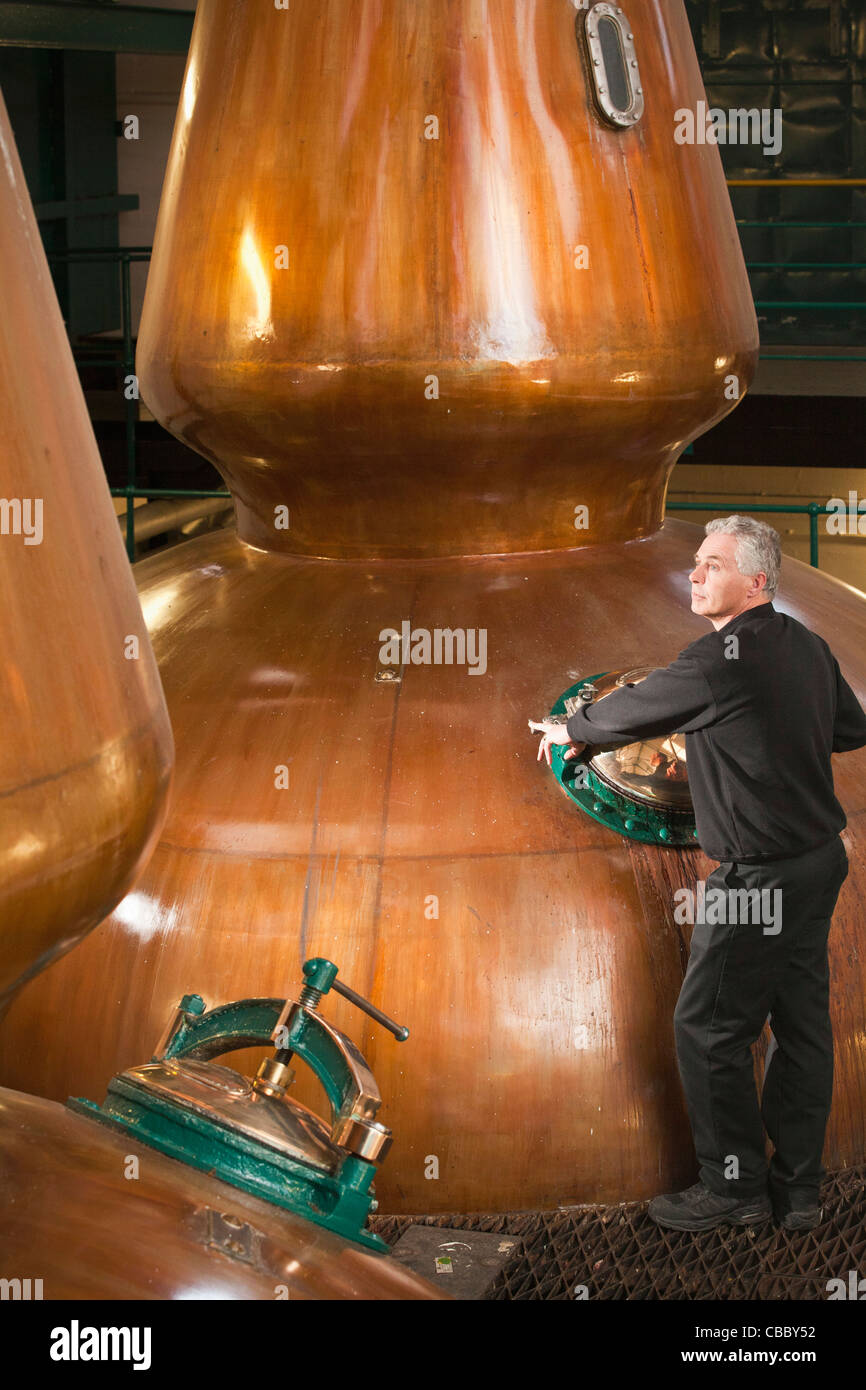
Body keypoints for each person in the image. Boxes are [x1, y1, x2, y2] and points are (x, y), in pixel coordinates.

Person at [530, 515, 866, 1232]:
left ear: (756, 582)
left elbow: (637, 708)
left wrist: (572, 728)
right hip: (818, 862)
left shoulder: (718, 660)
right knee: (802, 1028)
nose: (695, 573)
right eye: (697, 561)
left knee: (708, 1029)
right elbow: (849, 727)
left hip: (758, 879)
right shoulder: (804, 644)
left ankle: (733, 1189)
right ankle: (798, 1194)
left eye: (713, 565)